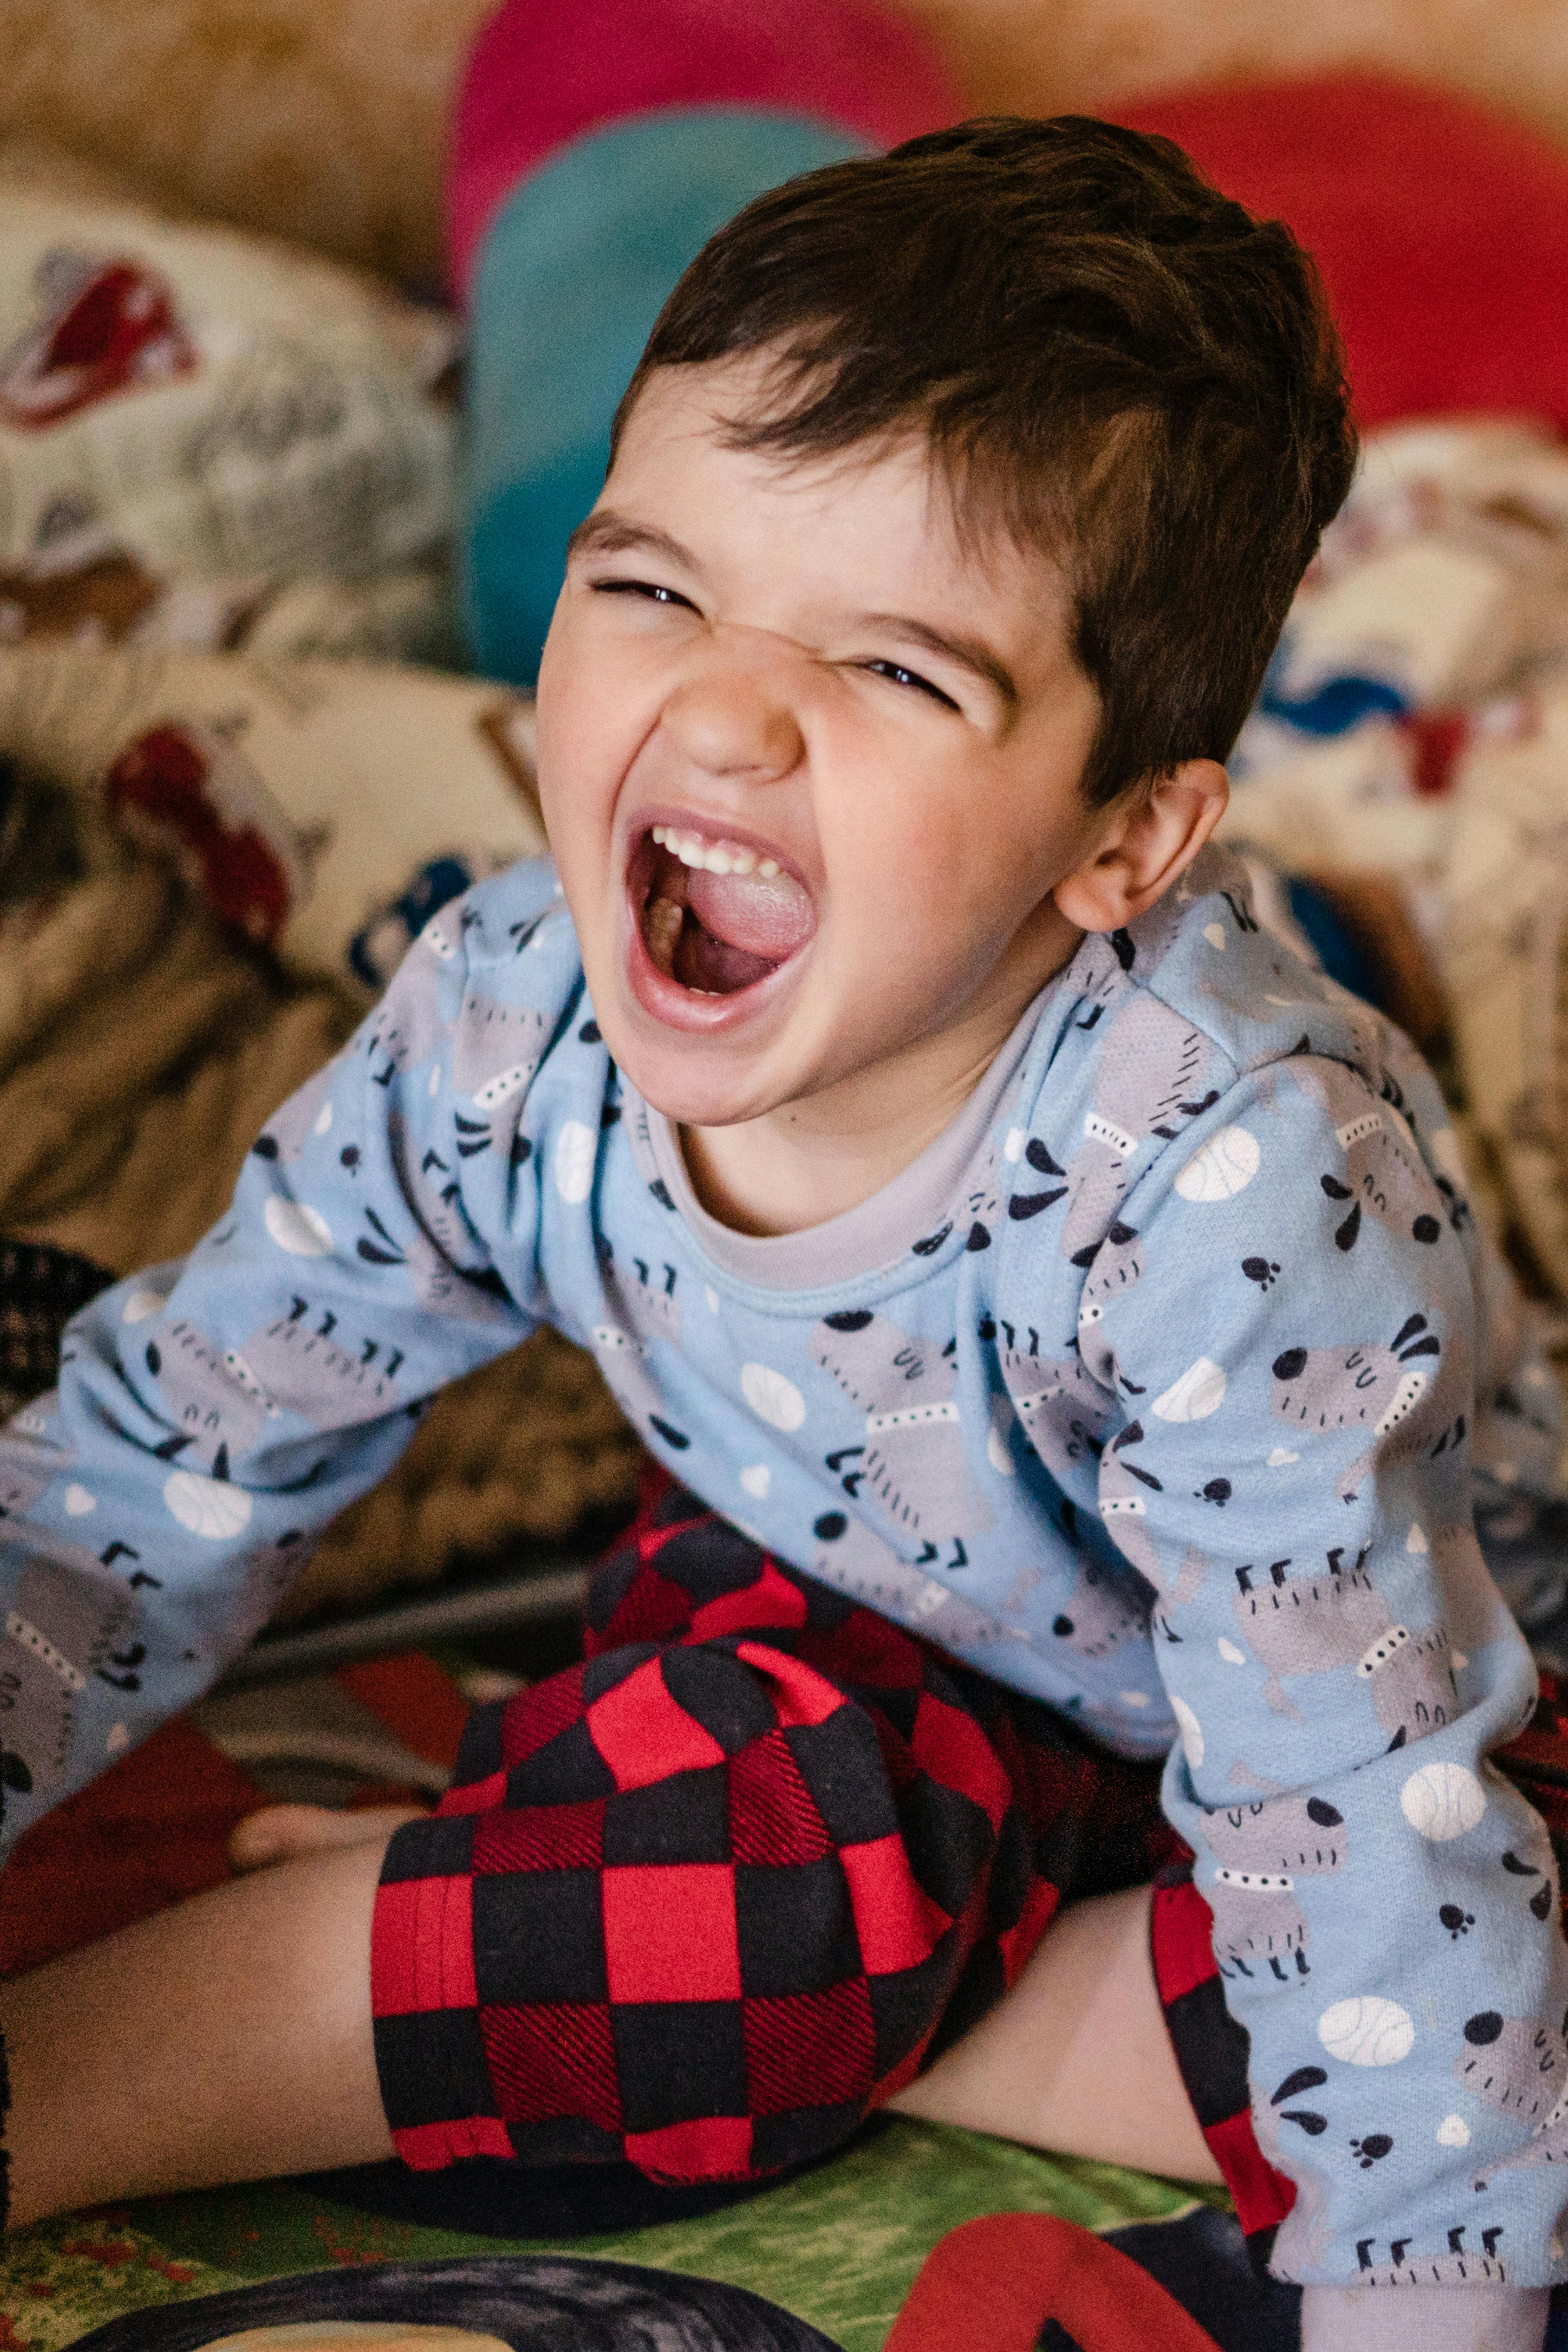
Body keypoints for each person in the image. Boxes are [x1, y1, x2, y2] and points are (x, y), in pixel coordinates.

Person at [1, 116, 1563, 2352]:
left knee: (1484, 2059)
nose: (721, 709)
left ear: (1125, 840)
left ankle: (702, 1957)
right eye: (653, 587)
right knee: (735, 1873)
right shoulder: (508, 1033)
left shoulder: (1230, 1185)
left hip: (1364, 1689)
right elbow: (137, 1484)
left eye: (901, 672)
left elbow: (1369, 1813)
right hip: (846, 1628)